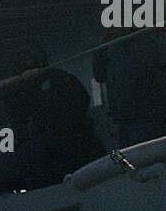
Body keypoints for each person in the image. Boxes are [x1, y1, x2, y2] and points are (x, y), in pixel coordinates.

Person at [7, 44, 102, 189]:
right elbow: (18, 113)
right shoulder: (25, 87)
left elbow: (81, 100)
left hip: (73, 139)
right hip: (49, 144)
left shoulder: (61, 78)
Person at [92, 28, 166, 147]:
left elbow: (151, 66)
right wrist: (102, 47)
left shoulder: (142, 42)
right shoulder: (109, 49)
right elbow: (99, 75)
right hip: (125, 116)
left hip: (146, 113)